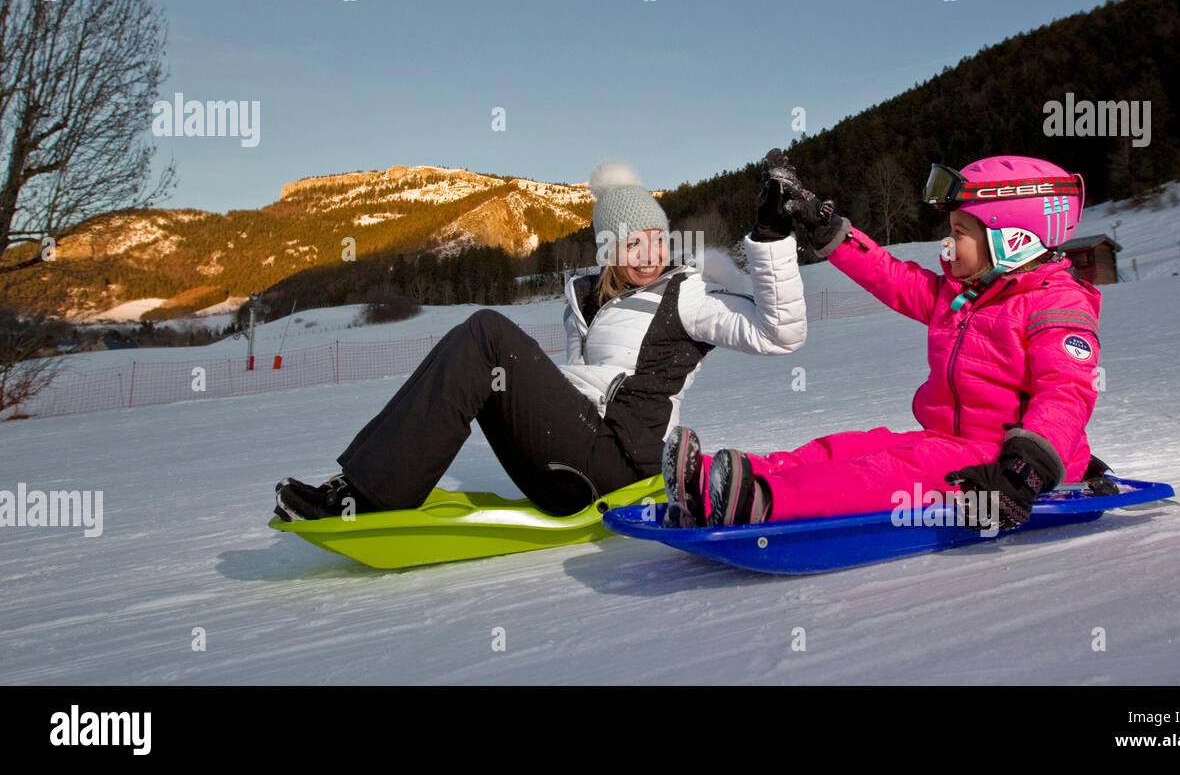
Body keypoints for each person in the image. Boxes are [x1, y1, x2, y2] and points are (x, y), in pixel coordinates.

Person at [275, 152, 807, 520]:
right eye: (628, 243)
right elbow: (571, 383)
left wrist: (769, 238)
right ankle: (360, 488)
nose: (645, 253)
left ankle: (368, 497)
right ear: (607, 251)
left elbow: (780, 333)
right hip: (567, 460)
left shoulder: (686, 295)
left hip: (619, 467)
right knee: (481, 358)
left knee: (486, 332)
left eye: (653, 239)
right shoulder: (584, 300)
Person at [664, 154, 1115, 533]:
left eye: (960, 233)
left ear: (1011, 240)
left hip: (1003, 464)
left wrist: (1026, 470)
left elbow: (1066, 393)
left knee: (887, 473)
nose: (948, 244)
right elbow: (891, 277)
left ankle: (766, 501)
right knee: (852, 448)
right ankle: (719, 482)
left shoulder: (1055, 304)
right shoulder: (961, 297)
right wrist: (824, 226)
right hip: (951, 442)